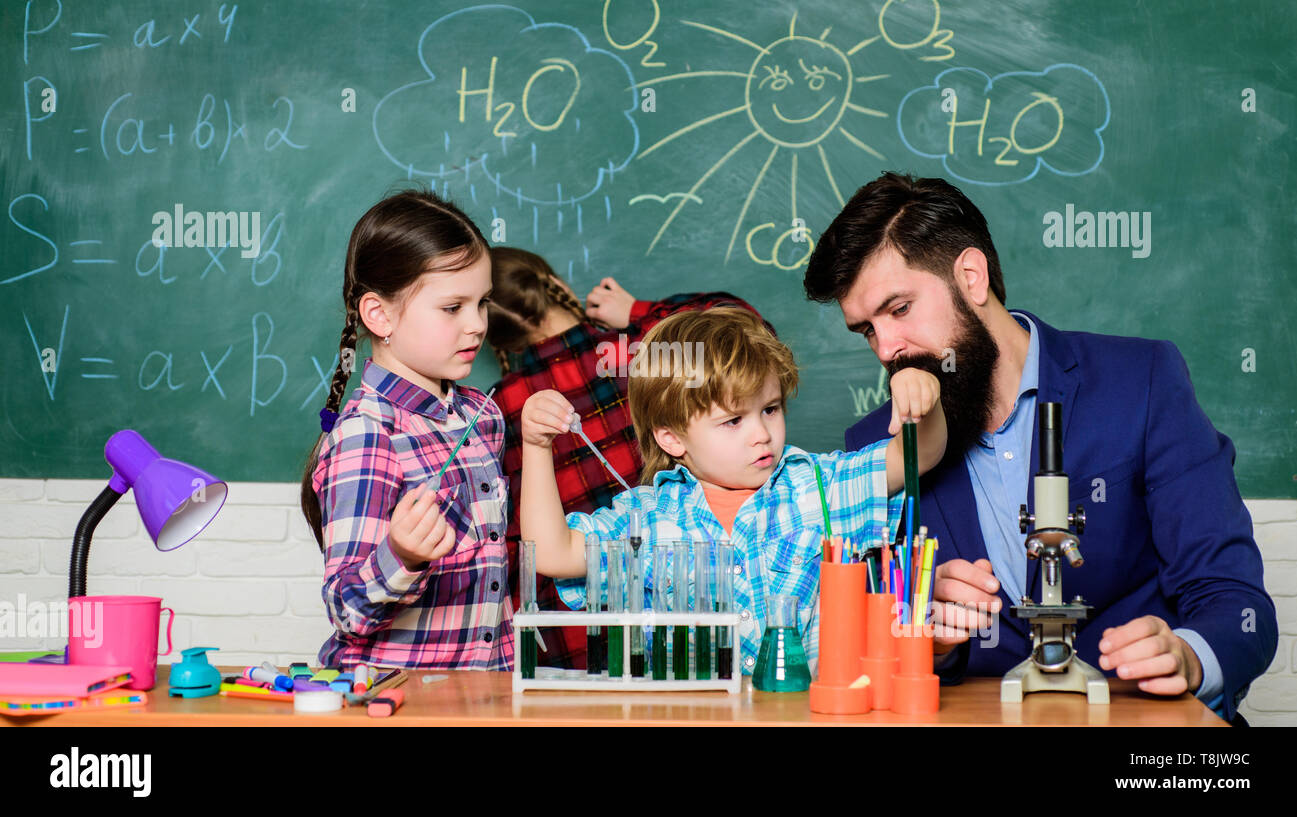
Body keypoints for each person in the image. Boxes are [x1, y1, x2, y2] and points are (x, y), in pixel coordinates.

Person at [803, 171, 1277, 722]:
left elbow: (1236, 603)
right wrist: (927, 640)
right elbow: (862, 657)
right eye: (867, 330)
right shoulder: (877, 450)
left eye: (899, 309)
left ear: (972, 277)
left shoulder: (1142, 381)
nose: (886, 349)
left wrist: (1189, 657)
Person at [517, 307, 947, 675]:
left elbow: (919, 456)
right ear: (672, 439)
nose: (762, 434)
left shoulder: (816, 486)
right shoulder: (648, 518)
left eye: (771, 409)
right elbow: (552, 553)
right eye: (732, 421)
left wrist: (923, 393)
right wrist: (536, 447)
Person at [486, 247, 764, 669]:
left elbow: (511, 535)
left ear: (495, 337)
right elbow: (741, 319)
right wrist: (637, 311)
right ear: (555, 287)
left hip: (574, 623)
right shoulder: (638, 353)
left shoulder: (502, 404)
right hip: (685, 602)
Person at [300, 189, 512, 670]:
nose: (477, 325)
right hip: (400, 701)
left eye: (482, 303)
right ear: (380, 315)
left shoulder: (481, 416)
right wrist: (401, 555)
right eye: (452, 307)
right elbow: (346, 610)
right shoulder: (367, 436)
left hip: (484, 694)